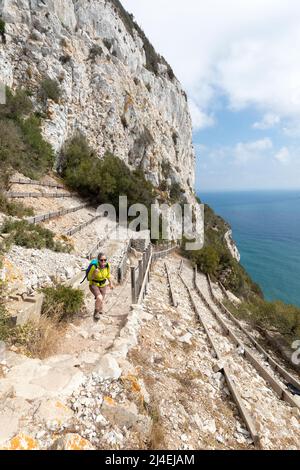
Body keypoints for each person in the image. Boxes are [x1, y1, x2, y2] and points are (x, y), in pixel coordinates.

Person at [88, 252, 113, 320]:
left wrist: (111, 283)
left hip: (103, 285)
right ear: (98, 260)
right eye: (101, 260)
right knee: (99, 297)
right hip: (94, 284)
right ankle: (96, 312)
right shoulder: (94, 267)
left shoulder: (107, 266)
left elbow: (108, 275)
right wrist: (94, 273)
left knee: (102, 299)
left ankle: (100, 308)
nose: (103, 261)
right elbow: (89, 278)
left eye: (105, 260)